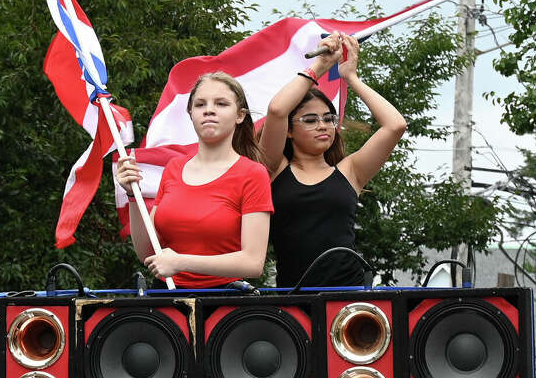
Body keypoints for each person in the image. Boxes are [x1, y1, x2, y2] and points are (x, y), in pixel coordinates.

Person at [258, 33, 407, 288]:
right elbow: (277, 110)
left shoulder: (351, 171)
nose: (323, 126)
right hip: (294, 296)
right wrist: (320, 66)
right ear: (289, 131)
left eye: (328, 119)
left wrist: (350, 77)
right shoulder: (272, 168)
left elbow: (395, 125)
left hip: (350, 294)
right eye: (310, 120)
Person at [115, 72, 272, 288]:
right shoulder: (173, 168)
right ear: (191, 113)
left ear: (240, 115)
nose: (209, 110)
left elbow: (253, 263)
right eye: (200, 104)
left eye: (221, 103)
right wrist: (133, 195)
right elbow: (147, 252)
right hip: (166, 299)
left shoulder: (253, 174)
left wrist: (181, 262)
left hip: (222, 303)